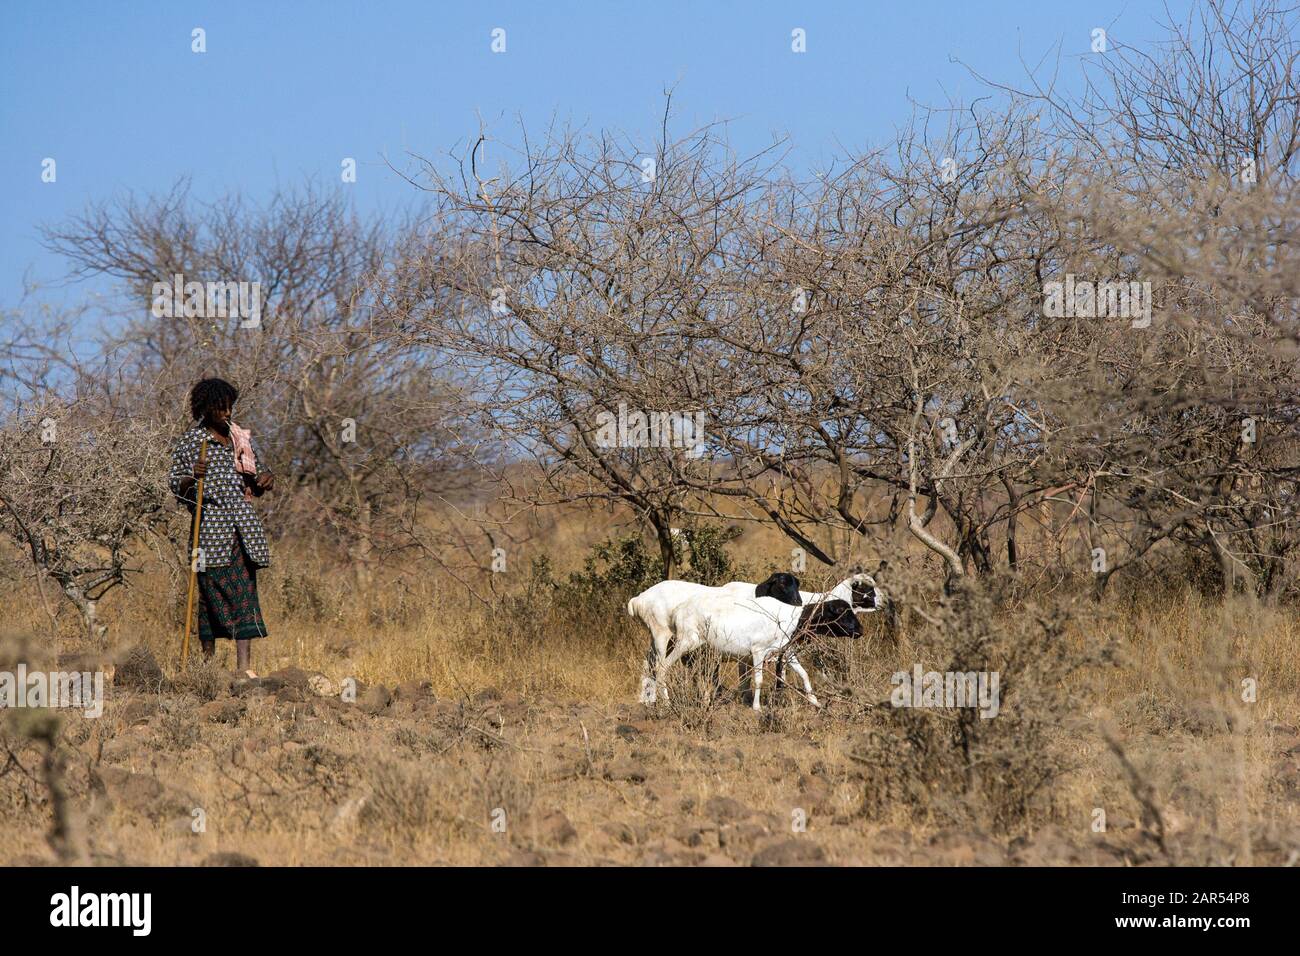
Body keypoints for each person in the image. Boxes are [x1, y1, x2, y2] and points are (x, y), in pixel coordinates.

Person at [169, 378, 275, 677]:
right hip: (209, 528)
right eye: (220, 408)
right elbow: (175, 485)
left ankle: (244, 669)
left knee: (244, 592)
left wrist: (266, 478)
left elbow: (257, 476)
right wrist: (192, 477)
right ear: (206, 408)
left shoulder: (240, 438)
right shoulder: (193, 442)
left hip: (242, 528)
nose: (227, 413)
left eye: (229, 407)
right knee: (208, 592)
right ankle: (207, 668)